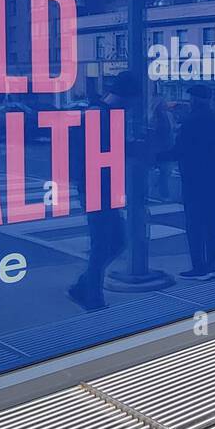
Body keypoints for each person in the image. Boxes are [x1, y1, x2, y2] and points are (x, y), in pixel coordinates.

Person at [67, 71, 140, 312]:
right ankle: (92, 296)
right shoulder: (98, 116)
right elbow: (97, 154)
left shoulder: (105, 114)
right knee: (103, 243)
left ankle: (84, 286)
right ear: (127, 96)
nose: (132, 105)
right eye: (132, 99)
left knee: (116, 242)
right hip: (97, 188)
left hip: (103, 188)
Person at [162, 84, 215, 279]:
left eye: (190, 98)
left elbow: (179, 151)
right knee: (211, 223)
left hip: (194, 179)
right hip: (212, 180)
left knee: (194, 224)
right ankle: (211, 265)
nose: (188, 101)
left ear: (195, 100)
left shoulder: (191, 122)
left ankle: (199, 266)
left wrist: (154, 156)